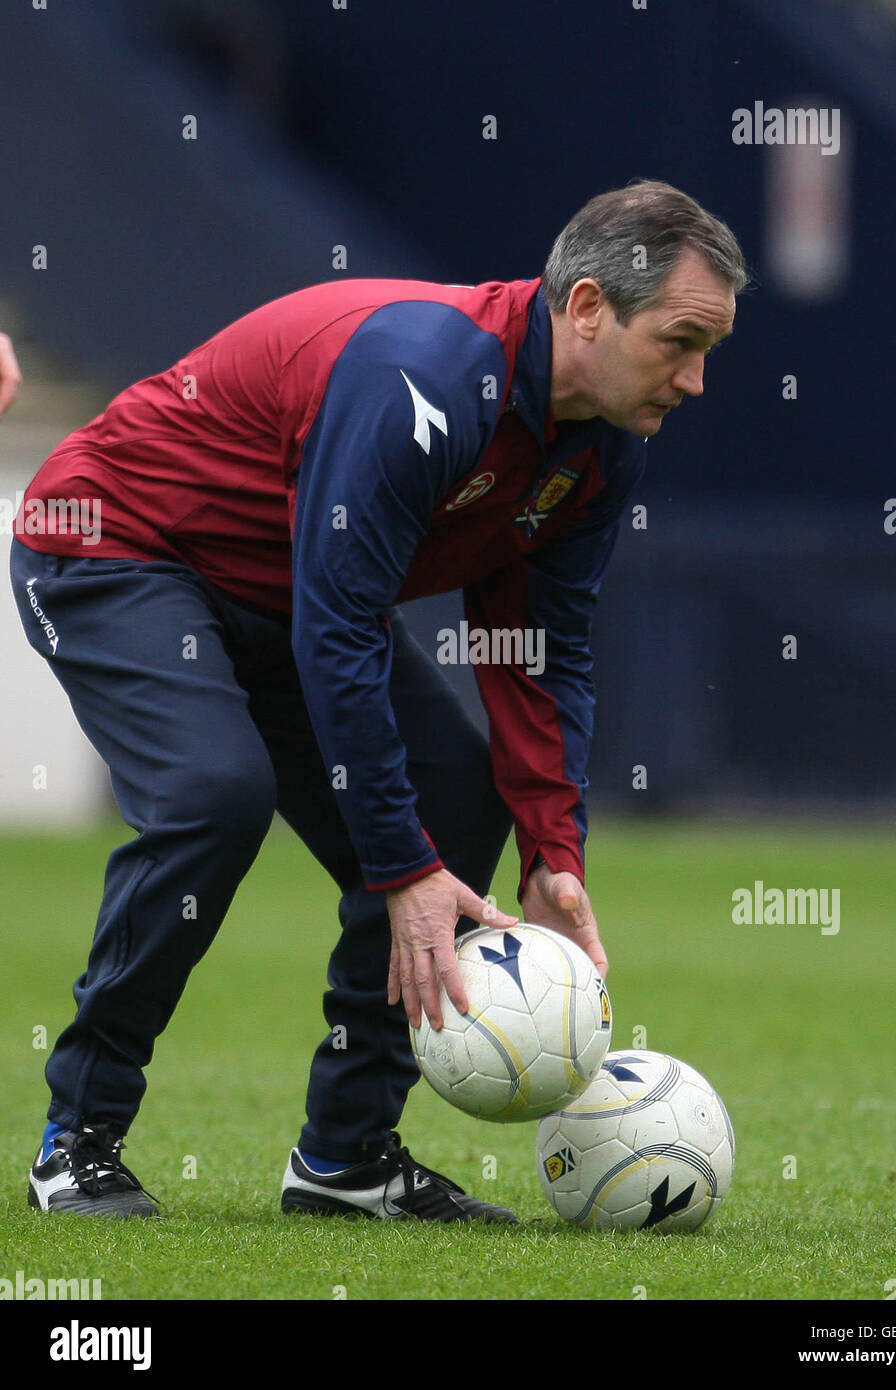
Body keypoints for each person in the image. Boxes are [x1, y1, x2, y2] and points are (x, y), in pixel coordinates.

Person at [7, 180, 745, 1221]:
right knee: (214, 796)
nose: (697, 379)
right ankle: (76, 1140)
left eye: (708, 348)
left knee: (458, 794)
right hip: (115, 547)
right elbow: (339, 629)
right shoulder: (422, 380)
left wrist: (553, 856)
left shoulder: (603, 441)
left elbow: (536, 645)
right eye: (679, 341)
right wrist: (400, 870)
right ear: (586, 309)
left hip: (286, 601)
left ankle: (345, 1160)